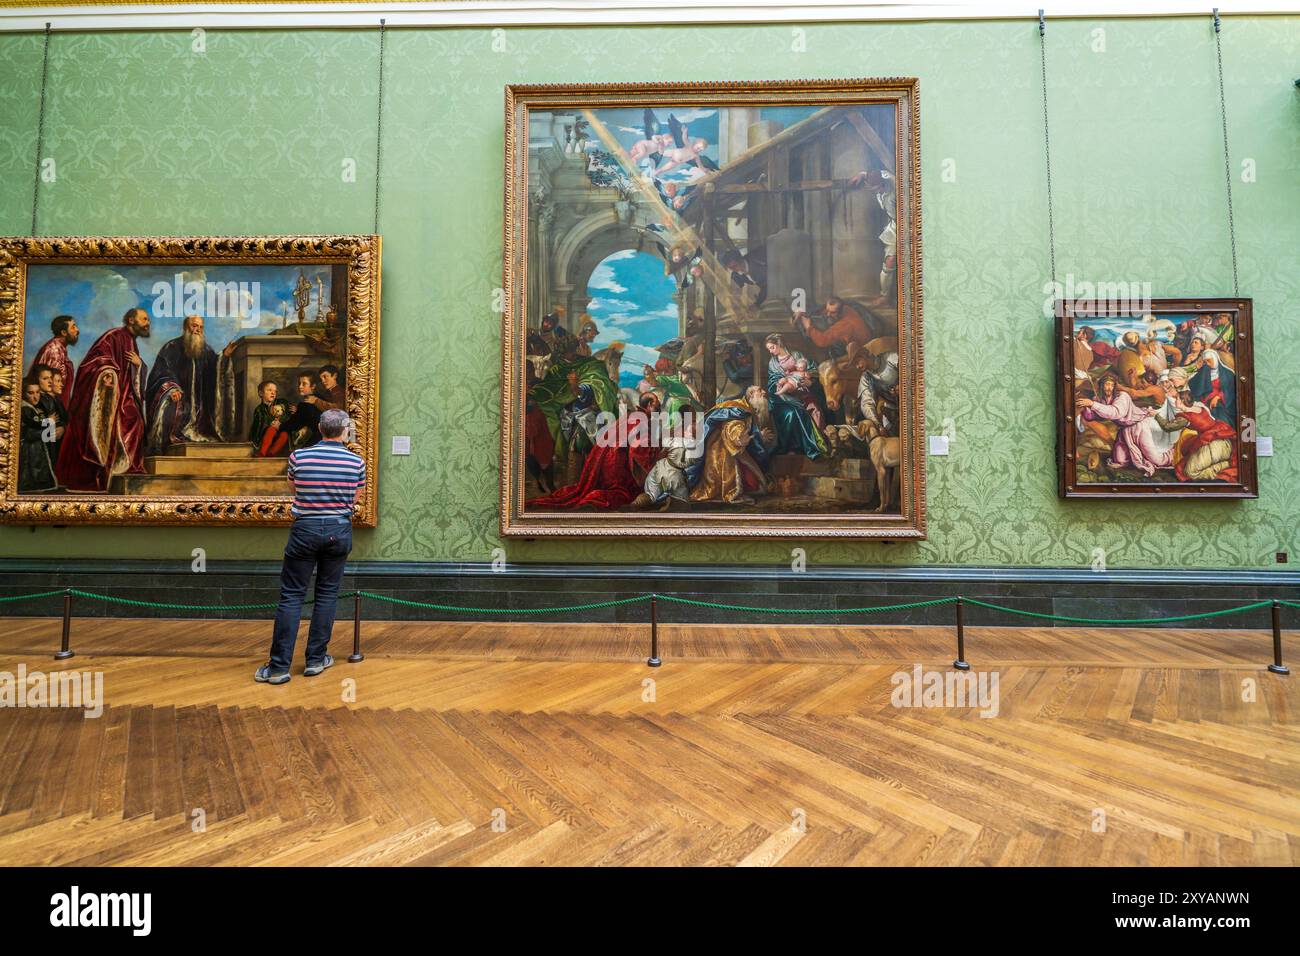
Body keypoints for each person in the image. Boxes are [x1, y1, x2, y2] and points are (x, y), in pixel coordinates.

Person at [256, 409, 366, 685]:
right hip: (339, 530)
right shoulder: (356, 463)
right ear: (344, 431)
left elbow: (295, 488)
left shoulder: (298, 457)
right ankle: (316, 660)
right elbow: (355, 498)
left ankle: (279, 668)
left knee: (291, 596)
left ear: (319, 428)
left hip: (305, 529)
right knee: (327, 596)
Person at [56, 307, 151, 492]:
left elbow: (133, 370)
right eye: (144, 319)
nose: (148, 323)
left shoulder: (132, 341)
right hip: (111, 395)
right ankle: (108, 472)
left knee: (136, 419)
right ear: (131, 320)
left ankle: (126, 468)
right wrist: (106, 372)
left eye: (147, 320)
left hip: (124, 394)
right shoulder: (113, 336)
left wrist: (140, 366)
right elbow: (95, 360)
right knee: (124, 419)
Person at [145, 314, 232, 452]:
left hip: (199, 409)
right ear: (186, 327)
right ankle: (172, 436)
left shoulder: (206, 350)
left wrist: (224, 357)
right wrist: (171, 388)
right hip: (180, 401)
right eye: (194, 326)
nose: (198, 329)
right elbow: (162, 372)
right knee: (172, 402)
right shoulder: (171, 347)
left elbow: (213, 370)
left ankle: (196, 429)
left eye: (201, 327)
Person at [19, 379, 59, 493]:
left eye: (37, 392)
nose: (36, 397)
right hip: (30, 450)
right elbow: (29, 432)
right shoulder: (25, 409)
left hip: (37, 448)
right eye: (31, 393)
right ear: (23, 393)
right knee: (32, 472)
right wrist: (49, 423)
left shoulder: (34, 408)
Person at [29, 314, 79, 403]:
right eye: (73, 327)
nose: (77, 330)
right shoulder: (54, 351)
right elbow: (49, 387)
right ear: (64, 332)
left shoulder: (59, 348)